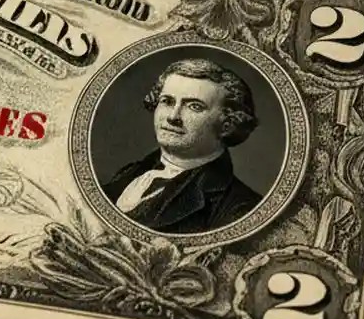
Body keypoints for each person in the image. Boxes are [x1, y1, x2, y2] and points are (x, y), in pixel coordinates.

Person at [100, 57, 262, 234]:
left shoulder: (241, 207)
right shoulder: (131, 173)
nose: (173, 116)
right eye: (167, 101)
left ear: (228, 124)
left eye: (194, 106)